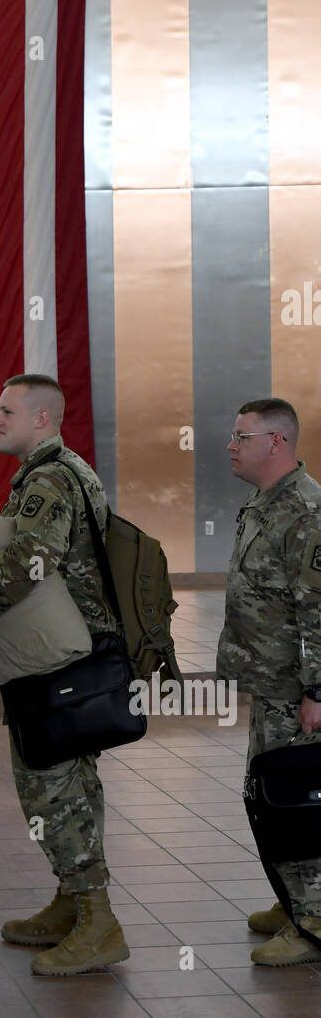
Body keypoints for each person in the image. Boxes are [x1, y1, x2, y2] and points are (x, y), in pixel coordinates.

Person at [0, 374, 129, 975]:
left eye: (7, 411)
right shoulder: (64, 470)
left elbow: (33, 558)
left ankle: (97, 919)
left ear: (44, 420)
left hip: (57, 660)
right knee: (72, 783)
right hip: (68, 654)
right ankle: (72, 904)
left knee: (49, 785)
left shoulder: (50, 478)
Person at [216, 398, 321, 966]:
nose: (231, 446)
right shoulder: (265, 502)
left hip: (296, 689)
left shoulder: (307, 512)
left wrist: (319, 692)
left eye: (241, 437)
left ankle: (314, 923)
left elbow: (320, 611)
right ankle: (292, 899)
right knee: (270, 795)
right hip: (271, 682)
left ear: (276, 442)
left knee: (299, 799)